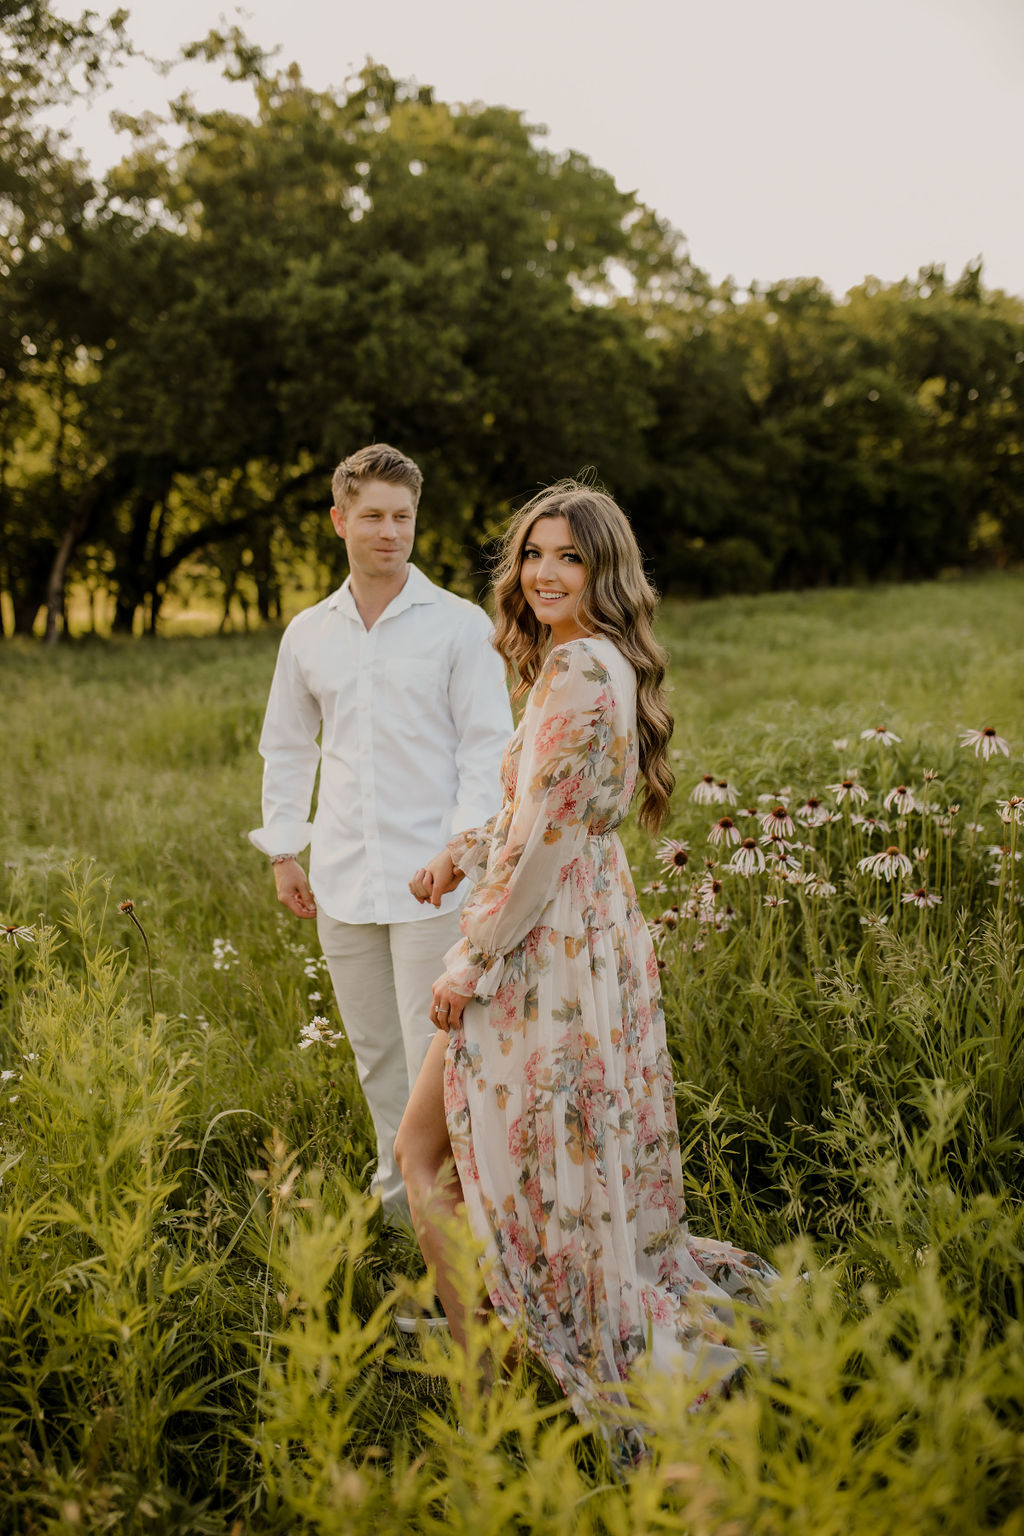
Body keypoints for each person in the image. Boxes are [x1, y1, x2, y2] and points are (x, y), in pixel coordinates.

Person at [394, 480, 775, 1440]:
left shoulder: (577, 671)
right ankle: (508, 1339)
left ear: (604, 569)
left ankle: (490, 1377)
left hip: (537, 949)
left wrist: (468, 963)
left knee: (430, 1152)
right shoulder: (589, 663)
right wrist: (463, 849)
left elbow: (551, 840)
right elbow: (550, 816)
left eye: (569, 556)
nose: (546, 573)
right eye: (534, 554)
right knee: (541, 1159)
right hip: (574, 929)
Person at [250, 443, 512, 1219]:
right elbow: (289, 747)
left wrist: (461, 849)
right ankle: (405, 1227)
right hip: (340, 879)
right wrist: (284, 851)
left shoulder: (459, 627)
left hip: (433, 881)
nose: (390, 531)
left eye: (403, 517)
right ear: (340, 521)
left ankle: (468, 1246)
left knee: (443, 1069)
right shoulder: (308, 633)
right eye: (373, 516)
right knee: (378, 1063)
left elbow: (486, 749)